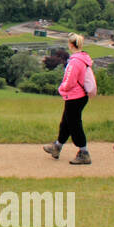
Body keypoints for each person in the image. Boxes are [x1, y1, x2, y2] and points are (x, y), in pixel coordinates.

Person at [44, 33, 94, 165]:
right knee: (66, 123)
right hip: (80, 96)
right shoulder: (84, 59)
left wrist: (61, 89)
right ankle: (57, 146)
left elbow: (70, 81)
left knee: (74, 125)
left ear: (71, 44)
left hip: (74, 96)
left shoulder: (74, 62)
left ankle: (84, 153)